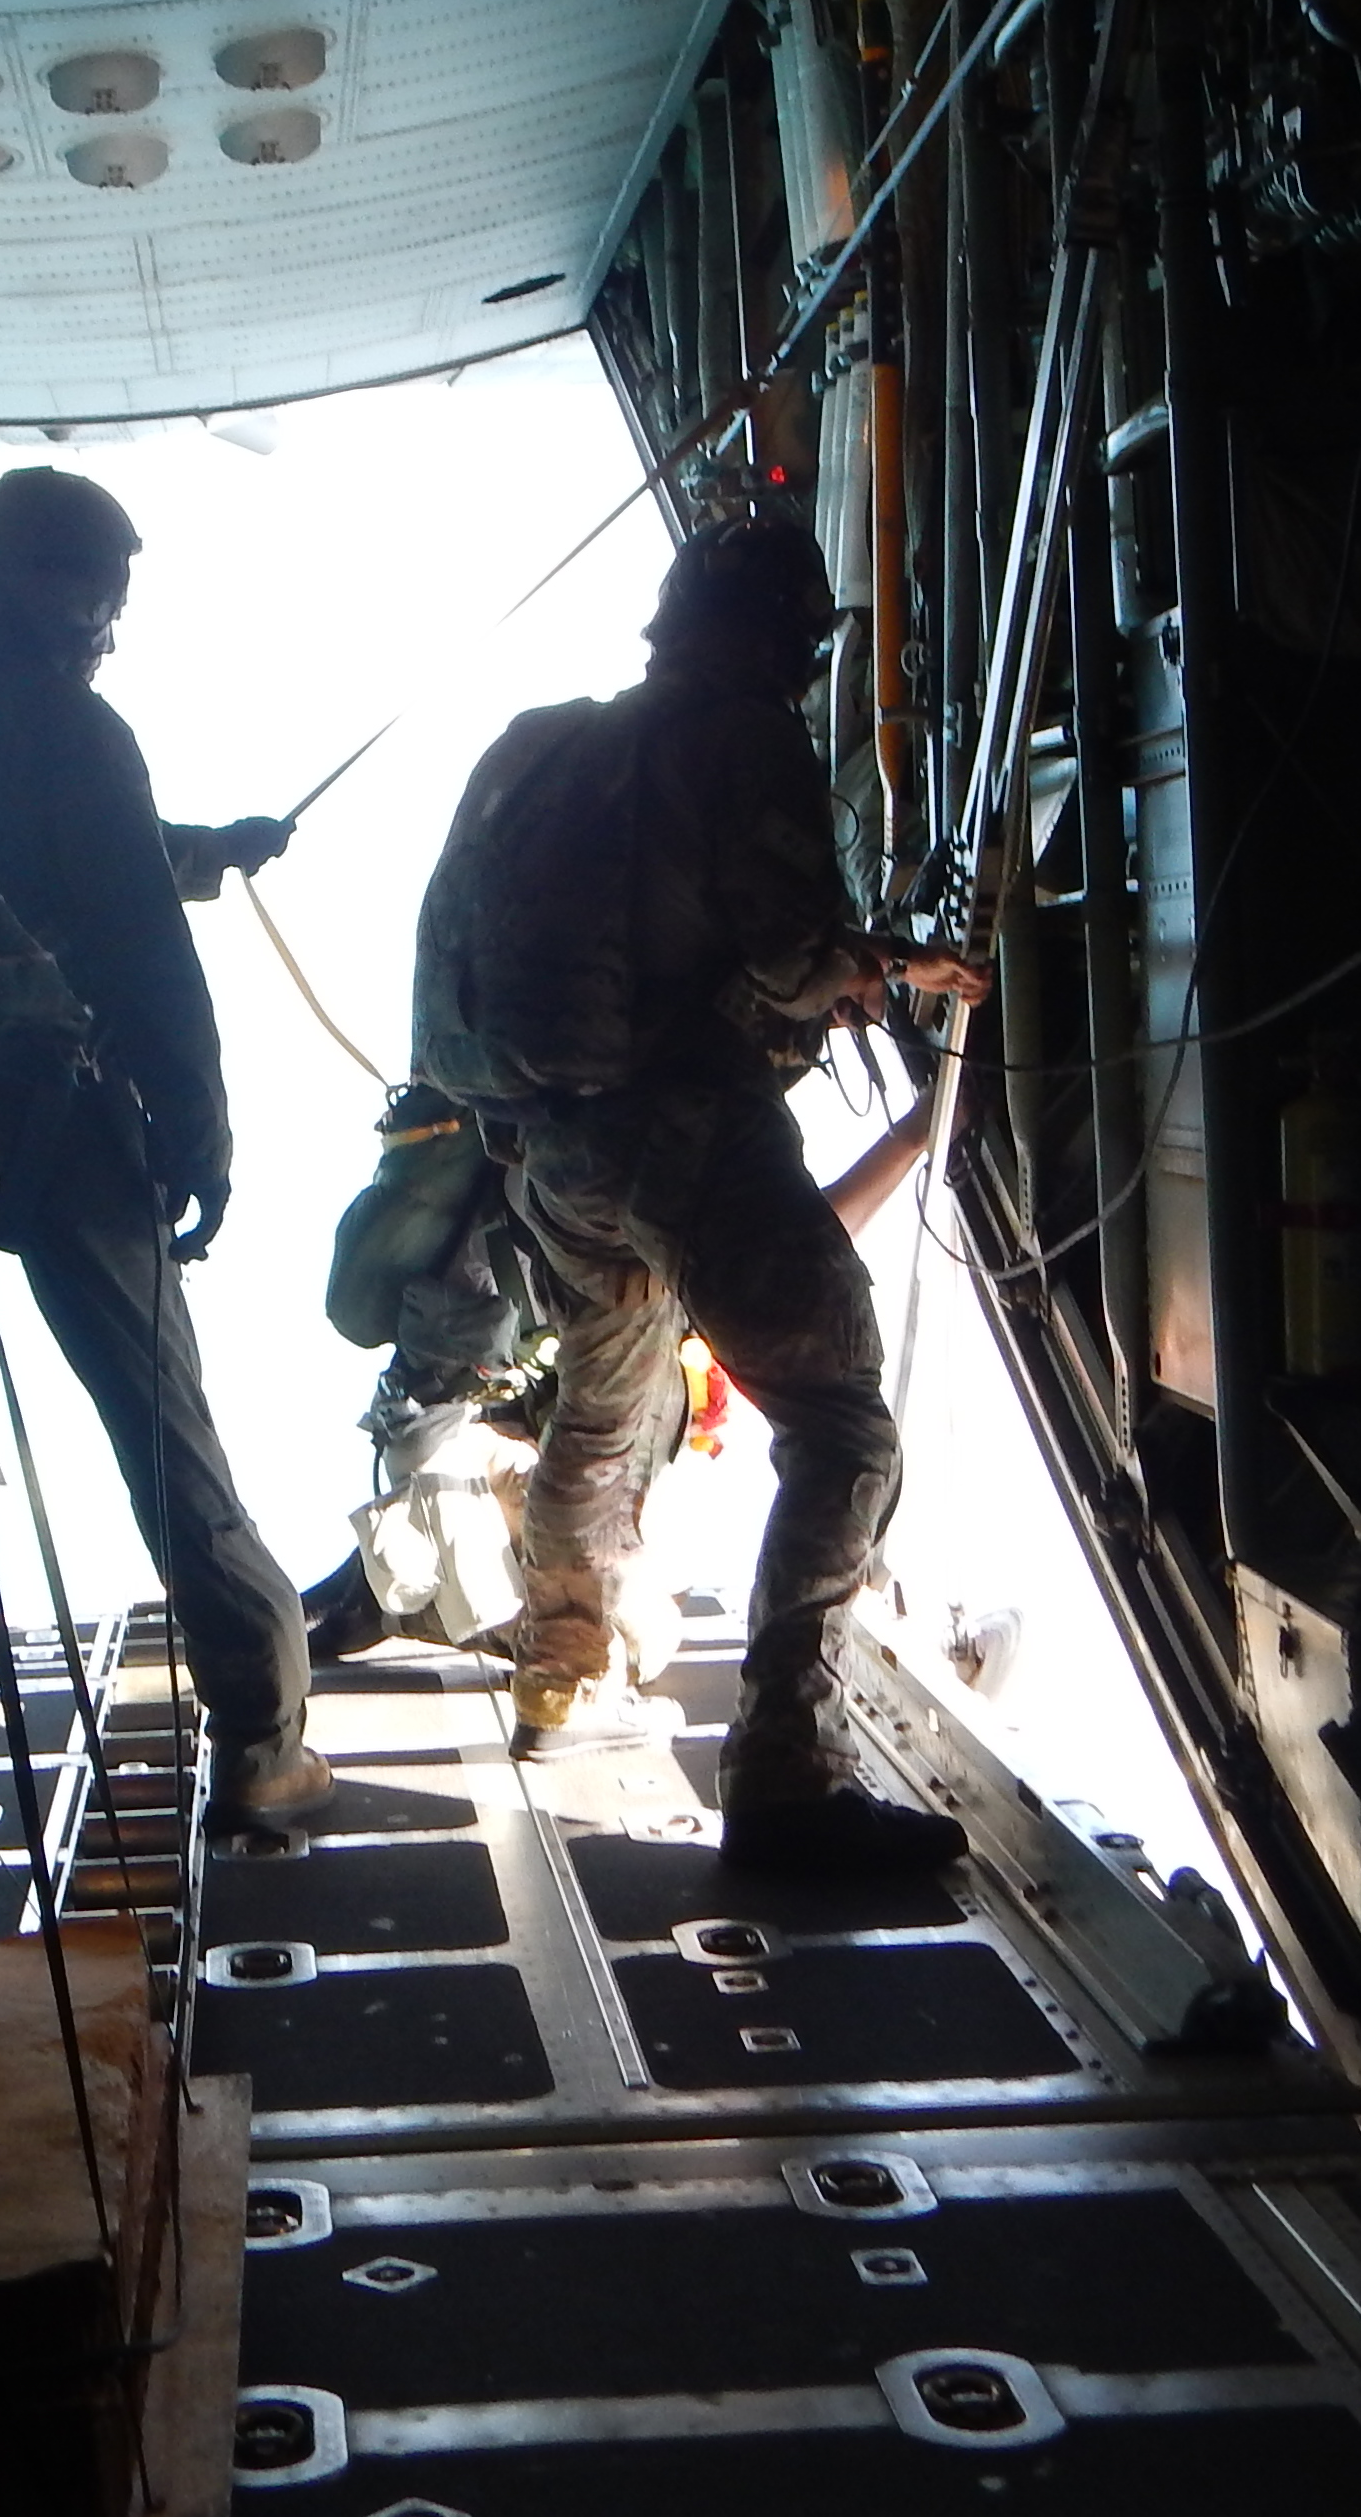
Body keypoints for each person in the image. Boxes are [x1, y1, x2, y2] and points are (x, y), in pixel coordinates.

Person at [411, 516, 989, 1876]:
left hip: (559, 1155)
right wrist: (886, 964)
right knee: (845, 1434)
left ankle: (562, 1650)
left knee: (600, 1413)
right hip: (690, 1129)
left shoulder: (552, 742)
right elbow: (789, 959)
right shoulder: (744, 736)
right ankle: (786, 1784)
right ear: (788, 641)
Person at [0, 467, 330, 1831]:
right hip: (66, 1130)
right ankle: (264, 1742)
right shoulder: (78, 732)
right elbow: (138, 945)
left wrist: (210, 848)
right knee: (165, 1435)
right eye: (104, 599)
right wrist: (201, 1139)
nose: (110, 627)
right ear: (53, 587)